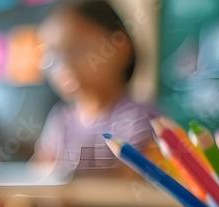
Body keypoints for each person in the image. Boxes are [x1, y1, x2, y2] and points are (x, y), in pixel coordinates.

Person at [33, 0, 156, 173]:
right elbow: (39, 176)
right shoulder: (60, 121)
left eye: (77, 50)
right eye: (53, 55)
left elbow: (134, 182)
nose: (65, 65)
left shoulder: (139, 120)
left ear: (120, 46)